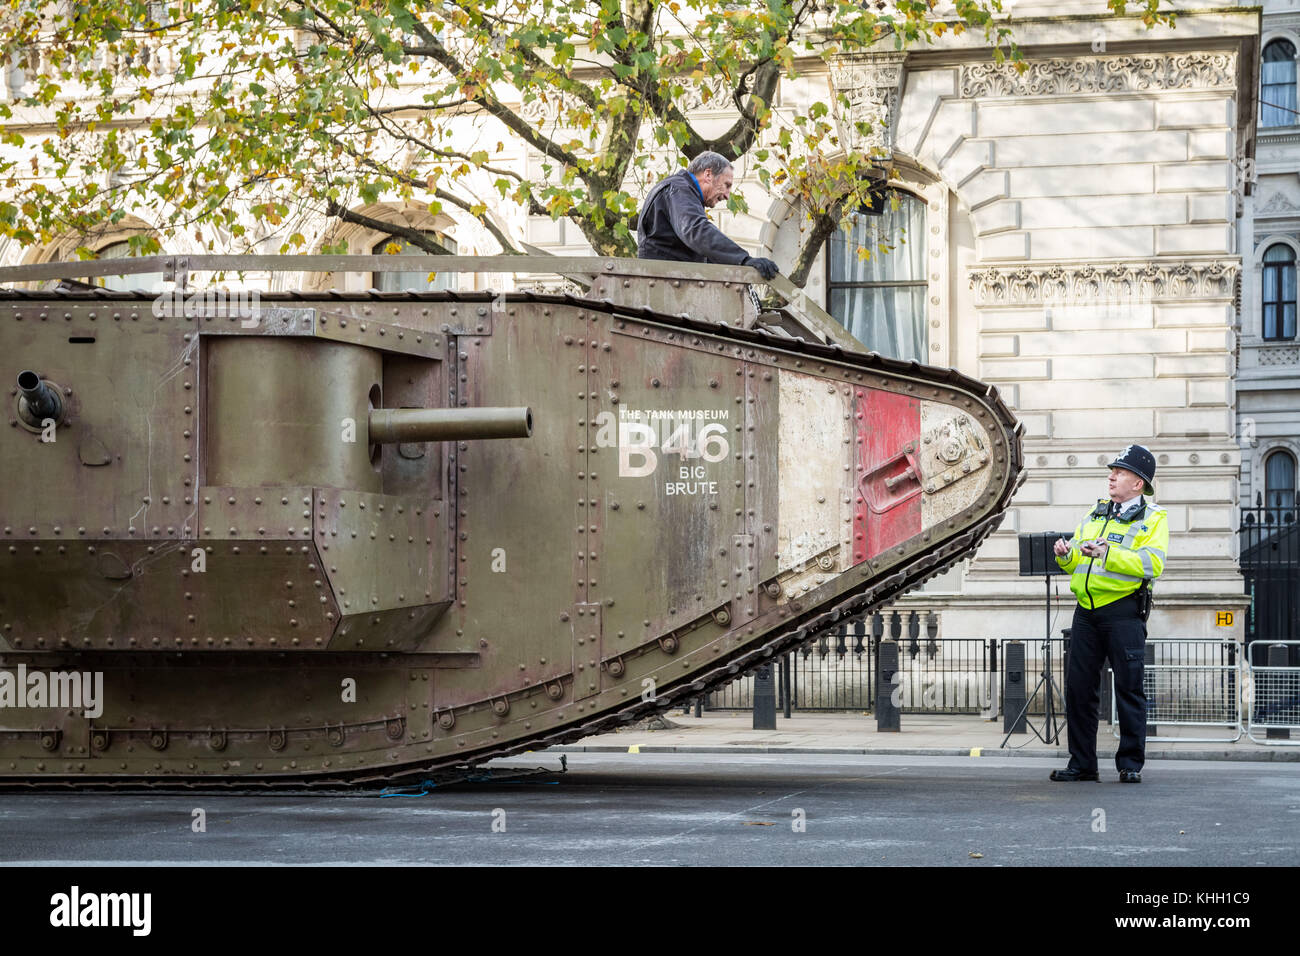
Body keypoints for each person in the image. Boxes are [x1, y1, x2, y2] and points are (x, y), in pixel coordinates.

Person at [1049, 444, 1169, 784]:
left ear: (1139, 483)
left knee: (1129, 689)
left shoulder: (1154, 518)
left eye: (1120, 471)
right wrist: (1065, 554)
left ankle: (1130, 764)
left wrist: (1107, 553)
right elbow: (1076, 561)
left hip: (1123, 613)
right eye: (1112, 470)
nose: (1111, 476)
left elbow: (1152, 564)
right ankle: (1082, 763)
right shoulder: (1096, 512)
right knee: (1079, 690)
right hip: (1086, 611)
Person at [637, 151, 780, 280]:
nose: (727, 196)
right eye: (727, 185)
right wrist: (743, 260)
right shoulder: (678, 189)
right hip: (665, 286)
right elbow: (696, 230)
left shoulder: (680, 191)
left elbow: (699, 249)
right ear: (708, 175)